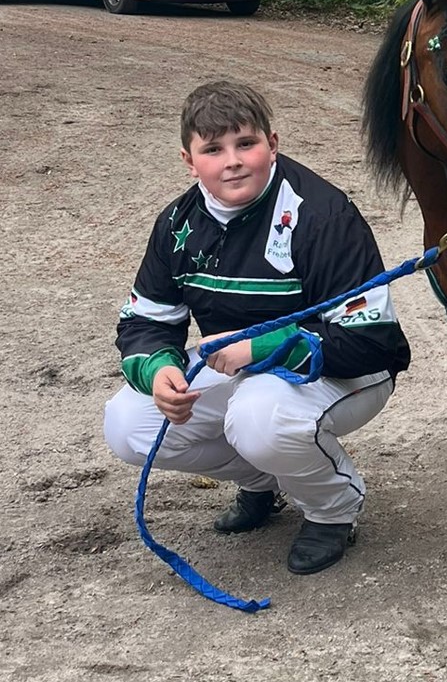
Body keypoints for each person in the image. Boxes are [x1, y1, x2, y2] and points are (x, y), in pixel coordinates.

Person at [103, 80, 410, 575]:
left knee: (258, 415)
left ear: (273, 142)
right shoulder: (177, 223)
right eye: (213, 149)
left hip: (345, 370)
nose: (233, 161)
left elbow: (372, 342)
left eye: (246, 143)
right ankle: (268, 482)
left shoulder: (324, 215)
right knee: (127, 424)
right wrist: (159, 371)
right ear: (188, 159)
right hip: (242, 366)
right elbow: (144, 320)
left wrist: (261, 347)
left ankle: (333, 509)